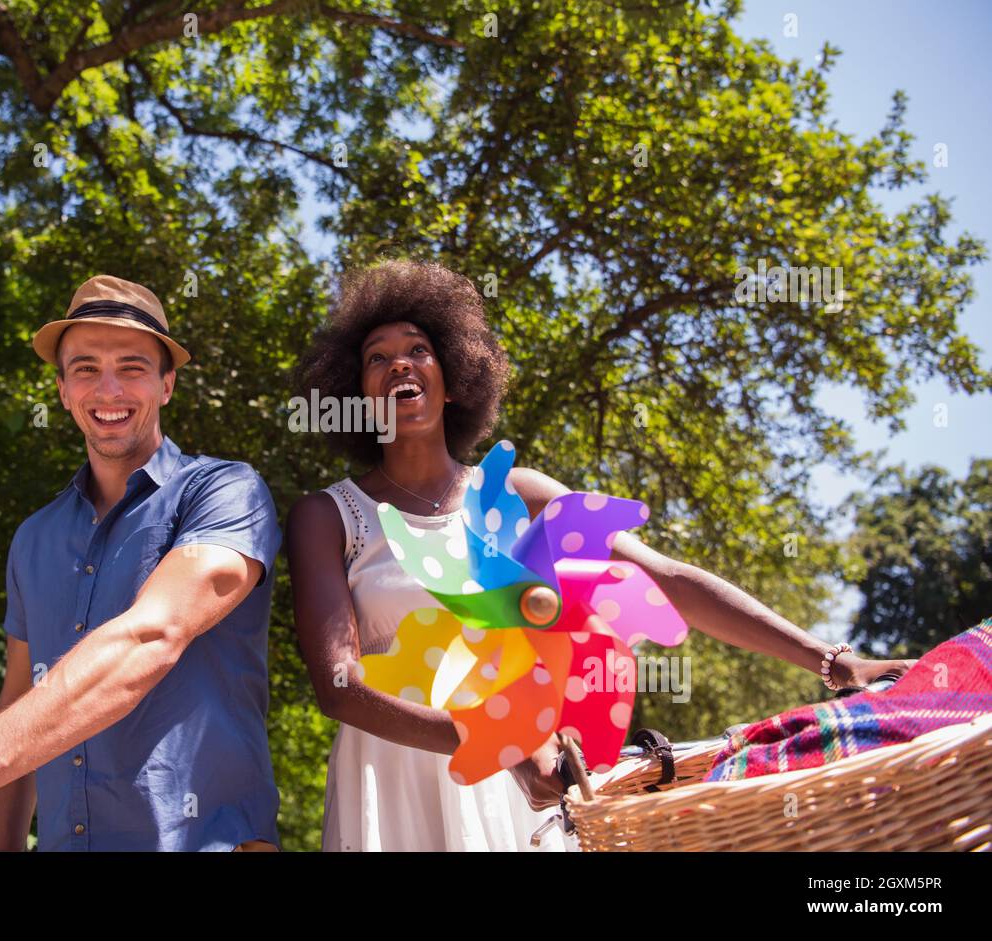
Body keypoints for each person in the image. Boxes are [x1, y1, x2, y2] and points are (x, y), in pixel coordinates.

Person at [285, 258, 913, 852]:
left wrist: (831, 661)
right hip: (394, 779)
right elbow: (340, 687)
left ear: (453, 379)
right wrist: (497, 740)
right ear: (360, 395)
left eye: (418, 350)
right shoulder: (327, 516)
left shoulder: (520, 495)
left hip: (523, 783)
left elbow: (661, 579)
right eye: (378, 359)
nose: (400, 365)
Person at [0, 275, 282, 852]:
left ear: (167, 384)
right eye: (85, 369)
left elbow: (152, 635)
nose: (108, 389)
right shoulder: (33, 538)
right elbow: (19, 699)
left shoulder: (225, 492)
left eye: (132, 367)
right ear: (62, 390)